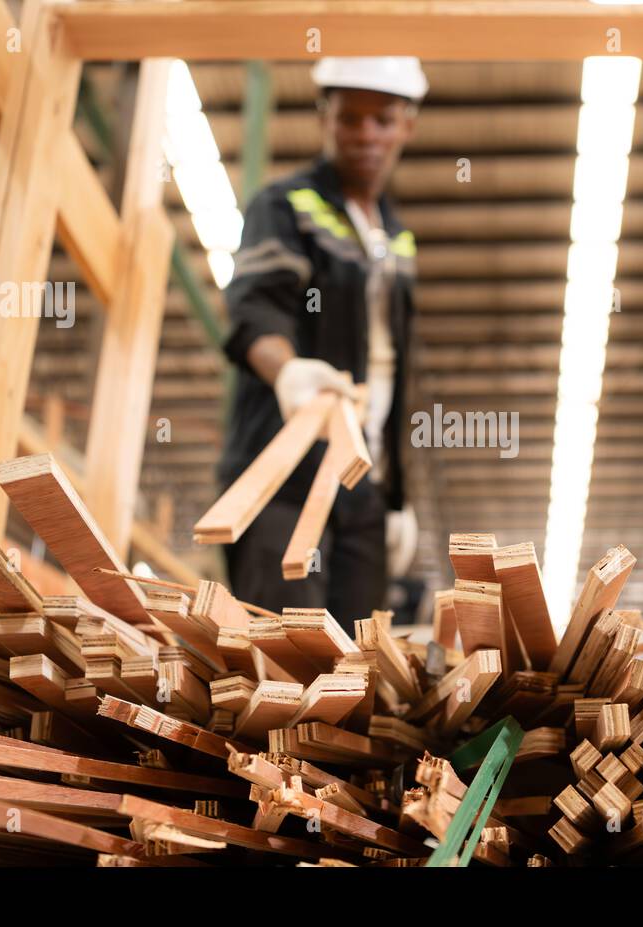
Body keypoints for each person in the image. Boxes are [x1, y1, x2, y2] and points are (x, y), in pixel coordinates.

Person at [217, 57, 426, 632]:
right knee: (287, 653)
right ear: (323, 117)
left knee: (360, 665)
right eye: (349, 117)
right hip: (285, 473)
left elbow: (394, 373)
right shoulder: (286, 205)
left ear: (406, 124)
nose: (366, 133)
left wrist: (396, 497)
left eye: (382, 119)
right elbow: (255, 308)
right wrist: (288, 371)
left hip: (362, 480)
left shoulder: (396, 235)